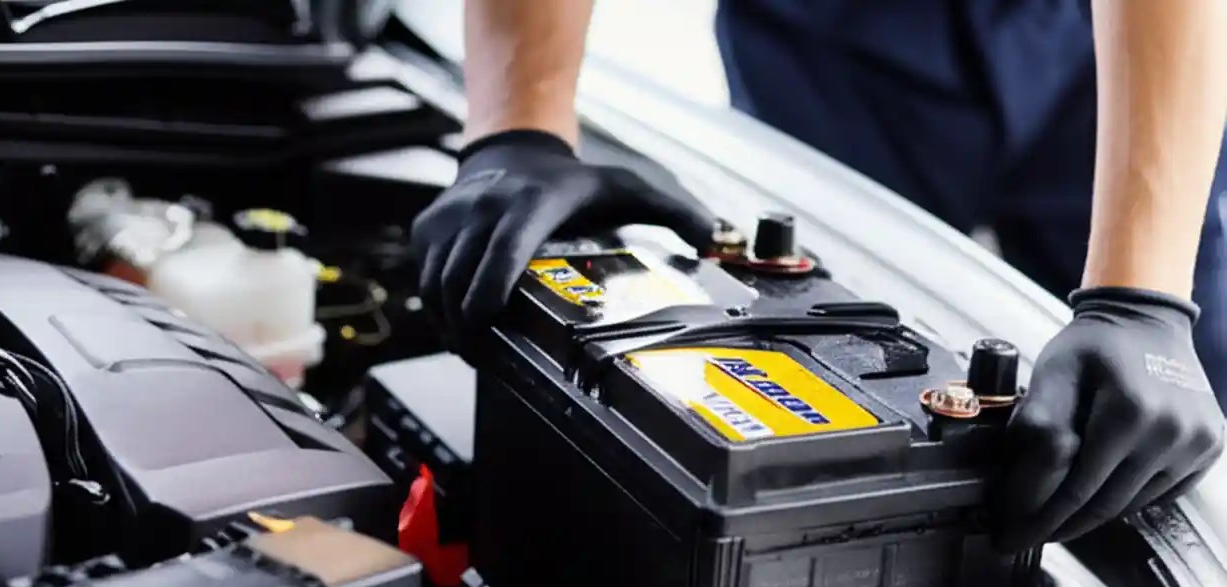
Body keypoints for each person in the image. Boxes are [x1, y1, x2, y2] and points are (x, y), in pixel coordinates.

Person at [410, 0, 1227, 551]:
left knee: (1152, 424)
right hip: (835, 43)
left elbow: (1149, 319)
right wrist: (519, 125)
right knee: (846, 370)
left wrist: (1140, 299)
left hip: (1119, 47)